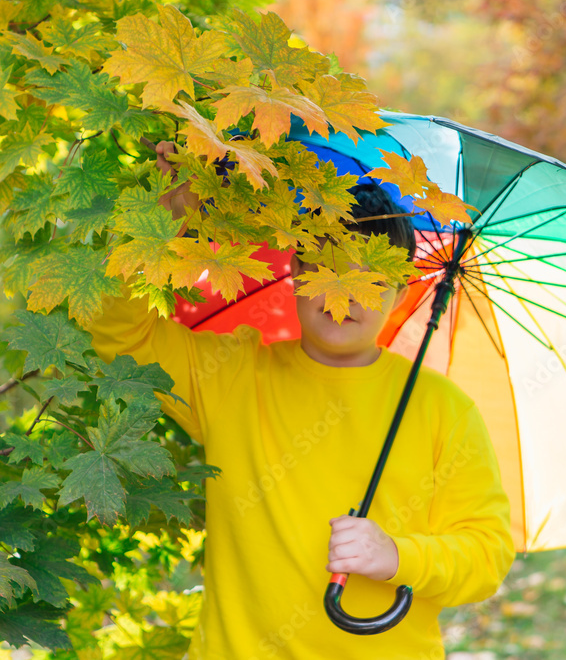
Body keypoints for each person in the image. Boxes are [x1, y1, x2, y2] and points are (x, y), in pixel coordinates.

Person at [86, 144, 516, 659]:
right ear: (295, 271)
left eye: (370, 279)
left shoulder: (442, 408)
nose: (344, 294)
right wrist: (164, 221)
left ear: (401, 293)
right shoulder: (235, 375)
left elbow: (486, 556)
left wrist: (397, 555)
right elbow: (118, 337)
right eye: (327, 269)